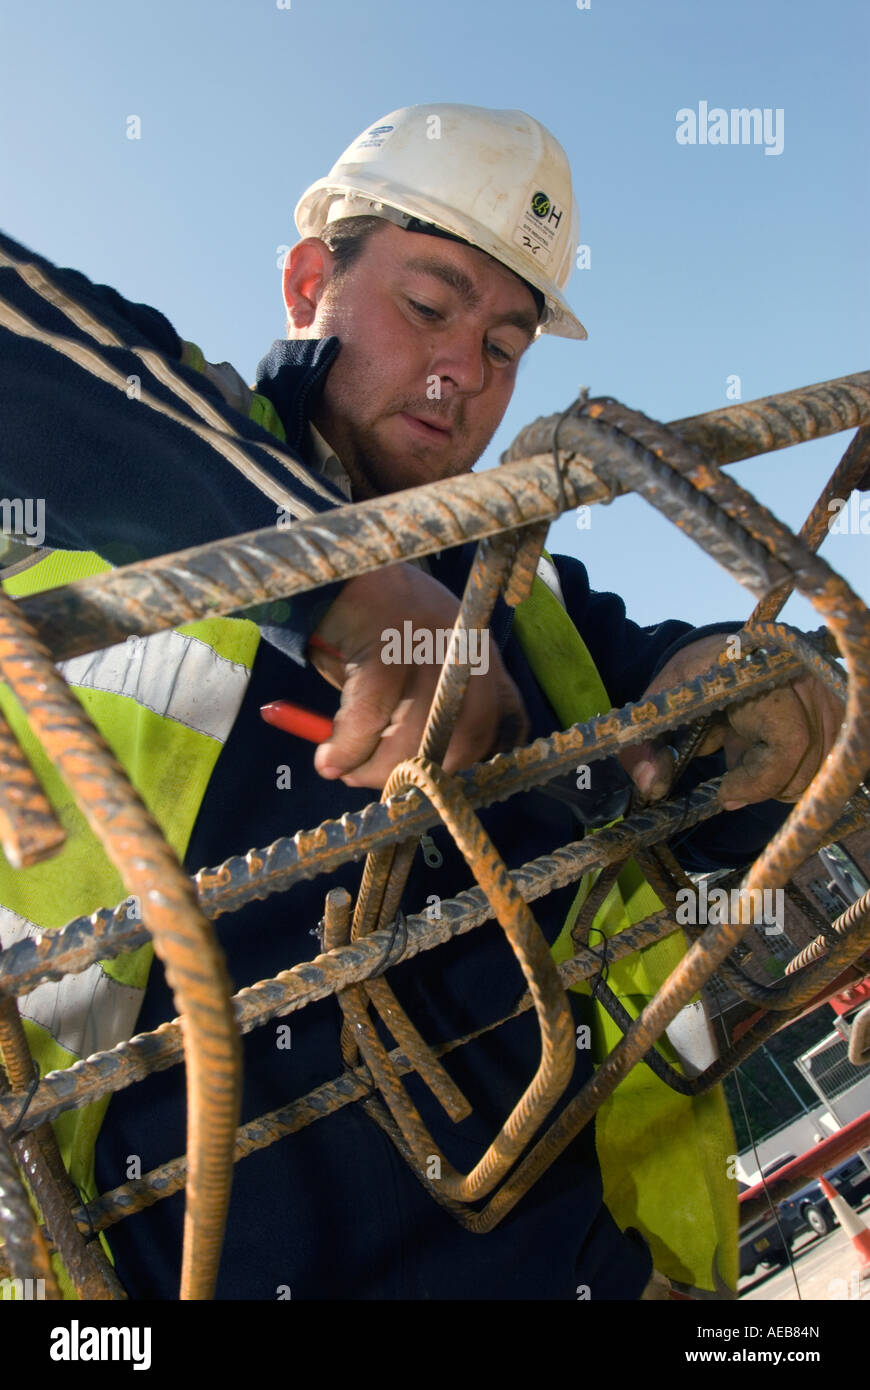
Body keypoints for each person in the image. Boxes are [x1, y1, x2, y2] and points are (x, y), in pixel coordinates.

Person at [0, 104, 842, 1300]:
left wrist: (775, 690)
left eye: (505, 345)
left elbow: (706, 718)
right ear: (309, 282)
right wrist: (319, 567)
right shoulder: (125, 453)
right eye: (430, 308)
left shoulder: (525, 588)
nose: (462, 374)